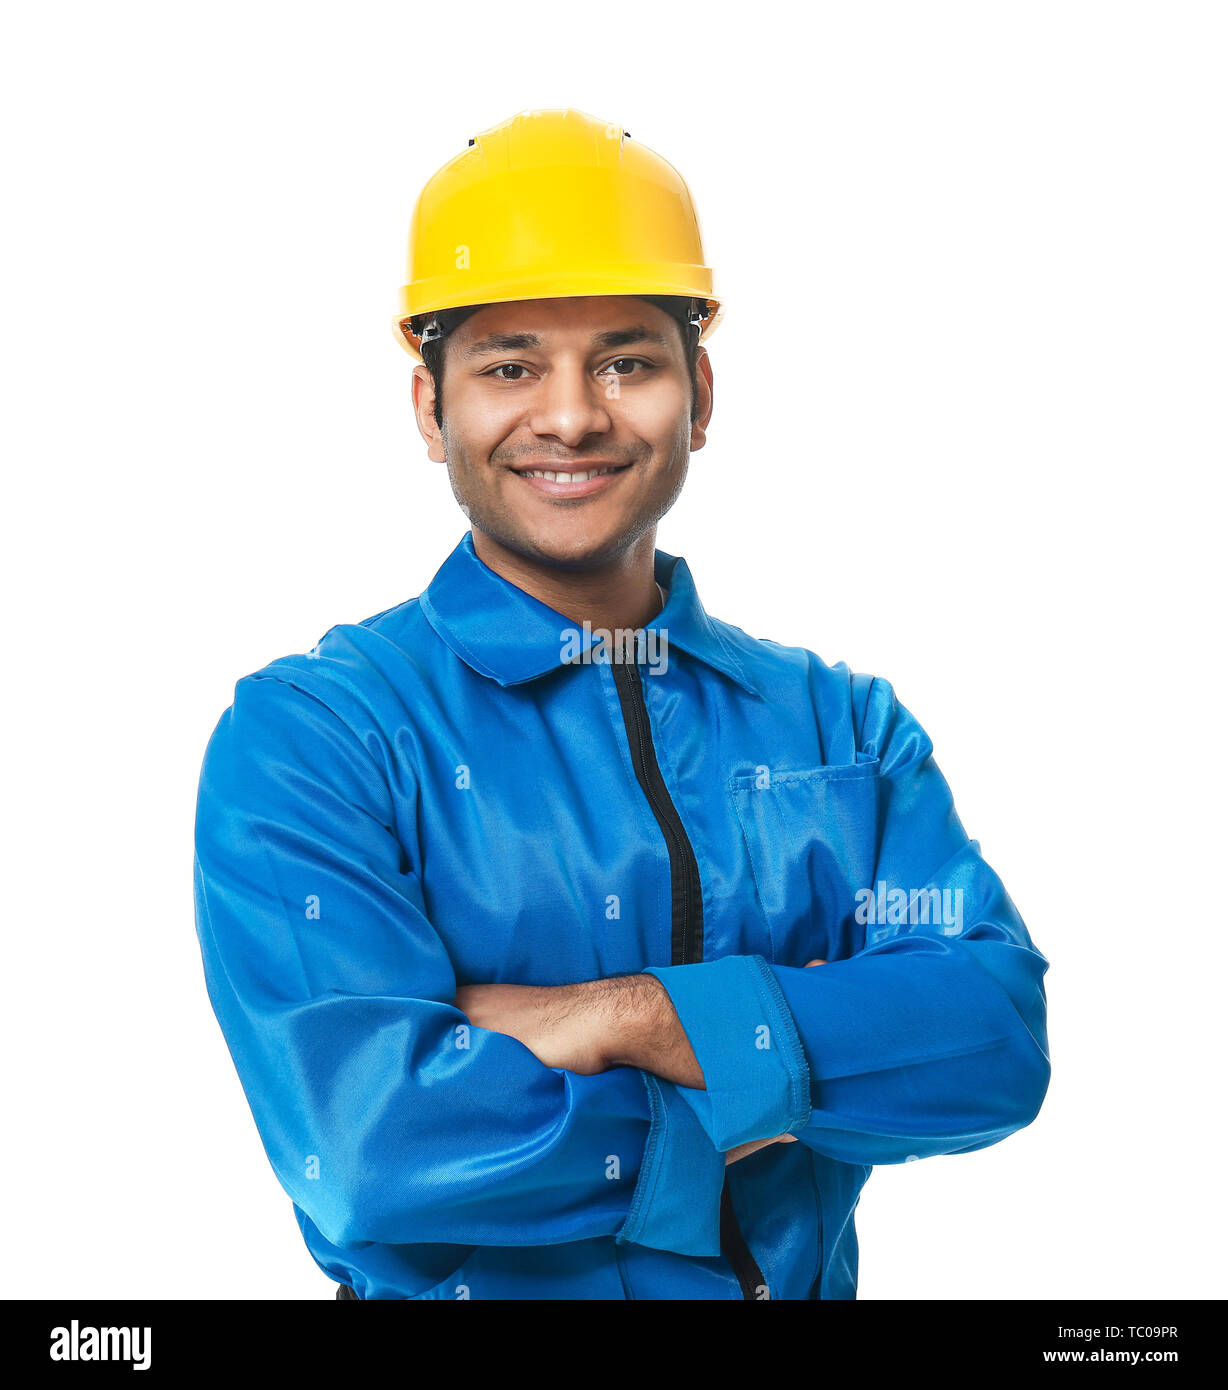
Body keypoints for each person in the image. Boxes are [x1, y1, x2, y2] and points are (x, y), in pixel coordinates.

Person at [192, 107, 1051, 1301]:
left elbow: (993, 1044)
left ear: (698, 393)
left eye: (625, 359)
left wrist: (628, 1016)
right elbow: (373, 1151)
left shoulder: (839, 726)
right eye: (508, 365)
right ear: (431, 409)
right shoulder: (313, 740)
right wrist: (789, 1071)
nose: (572, 414)